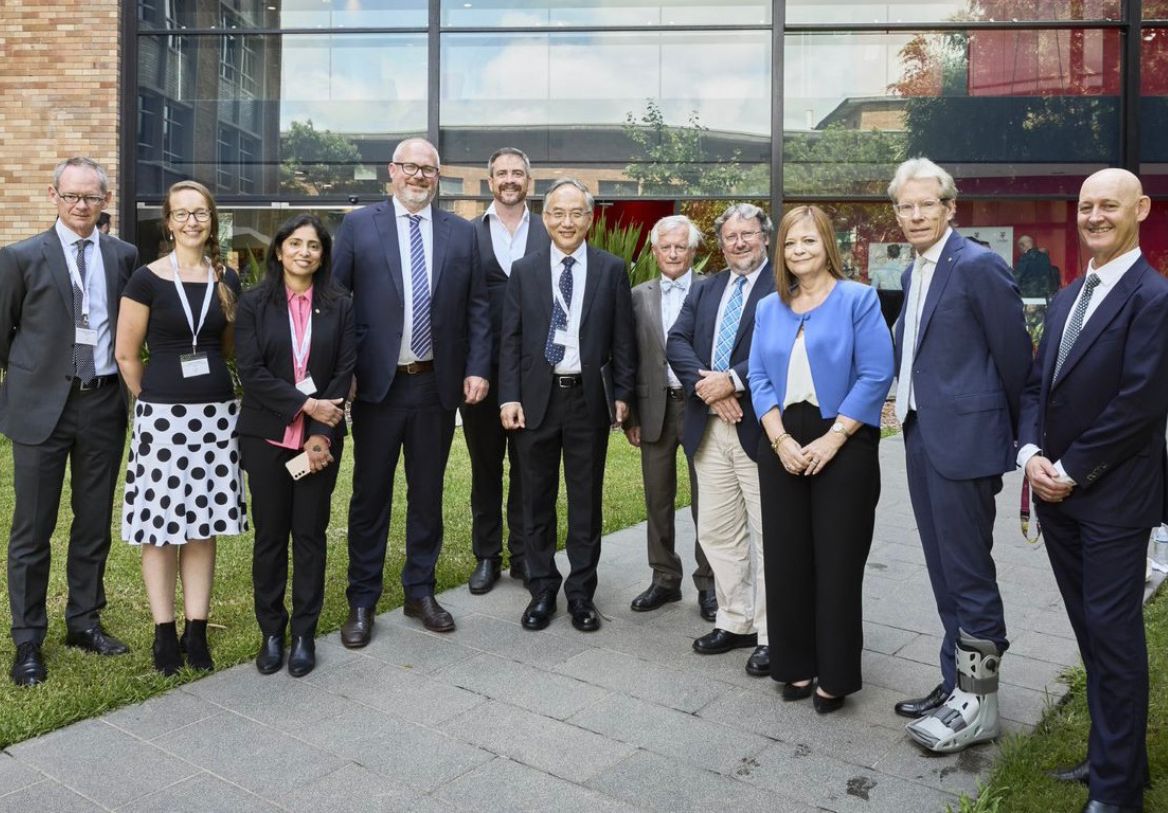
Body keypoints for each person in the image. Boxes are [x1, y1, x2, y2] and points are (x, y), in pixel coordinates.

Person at [1020, 168, 1168, 813]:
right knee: (1090, 634)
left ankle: (1118, 792)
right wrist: (1030, 455)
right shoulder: (1066, 297)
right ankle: (1113, 758)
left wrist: (1072, 469)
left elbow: (1140, 404)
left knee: (1113, 635)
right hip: (1058, 494)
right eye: (1085, 206)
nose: (1095, 216)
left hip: (1112, 497)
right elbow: (1035, 389)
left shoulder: (1154, 297)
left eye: (1109, 205)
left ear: (1141, 208)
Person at [888, 158, 1031, 752]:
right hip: (922, 437)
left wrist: (1021, 445)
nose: (915, 215)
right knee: (945, 572)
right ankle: (957, 685)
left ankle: (982, 706)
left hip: (966, 447)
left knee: (969, 575)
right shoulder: (912, 272)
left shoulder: (978, 265)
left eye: (927, 204)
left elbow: (1016, 361)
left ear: (950, 208)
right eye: (905, 206)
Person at [333, 137, 490, 643]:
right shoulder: (359, 226)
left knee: (427, 494)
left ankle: (419, 589)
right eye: (410, 167)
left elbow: (478, 308)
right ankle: (362, 600)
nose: (419, 176)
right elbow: (336, 303)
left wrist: (477, 367)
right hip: (377, 387)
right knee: (370, 496)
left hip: (434, 386)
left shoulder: (462, 233)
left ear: (437, 177)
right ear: (392, 171)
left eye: (428, 169)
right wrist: (344, 371)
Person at [749, 205, 894, 713]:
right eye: (790, 244)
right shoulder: (769, 307)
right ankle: (794, 664)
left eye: (808, 241)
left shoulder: (858, 299)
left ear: (827, 244)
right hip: (784, 440)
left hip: (844, 439)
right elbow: (759, 379)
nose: (799, 251)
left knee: (836, 561)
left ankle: (835, 673)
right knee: (786, 560)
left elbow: (877, 374)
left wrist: (832, 440)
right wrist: (780, 441)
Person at [0, 156, 139, 687]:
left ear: (106, 200)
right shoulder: (20, 257)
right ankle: (28, 638)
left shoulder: (123, 256)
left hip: (101, 403)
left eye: (91, 197)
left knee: (92, 521)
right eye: (72, 196)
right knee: (32, 529)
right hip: (40, 408)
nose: (81, 206)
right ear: (53, 196)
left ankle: (83, 621)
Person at [115, 179, 247, 676]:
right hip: (164, 420)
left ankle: (197, 629)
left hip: (216, 417)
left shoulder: (226, 278)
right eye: (182, 213)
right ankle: (164, 634)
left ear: (211, 221)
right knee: (162, 527)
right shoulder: (145, 280)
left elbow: (228, 346)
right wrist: (150, 399)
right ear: (168, 222)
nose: (192, 221)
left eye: (201, 213)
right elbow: (127, 354)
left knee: (204, 525)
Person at [499, 178, 636, 633]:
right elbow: (511, 339)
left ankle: (580, 594)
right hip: (536, 399)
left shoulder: (611, 269)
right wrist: (510, 396)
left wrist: (622, 395)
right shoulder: (525, 270)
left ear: (590, 219)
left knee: (585, 502)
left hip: (587, 401)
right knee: (535, 500)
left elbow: (624, 340)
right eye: (558, 213)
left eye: (576, 213)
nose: (567, 222)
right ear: (545, 218)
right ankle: (542, 589)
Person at [235, 214, 355, 678]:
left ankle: (304, 633)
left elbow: (344, 370)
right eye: (295, 243)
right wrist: (308, 407)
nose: (304, 252)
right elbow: (252, 372)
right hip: (266, 437)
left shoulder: (340, 304)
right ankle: (272, 631)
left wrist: (323, 432)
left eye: (314, 246)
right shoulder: (253, 304)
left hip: (320, 442)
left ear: (323, 255)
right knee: (269, 538)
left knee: (309, 536)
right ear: (279, 249)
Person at [667, 203, 775, 676]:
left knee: (768, 534)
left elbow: (784, 346)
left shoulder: (784, 287)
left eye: (747, 234)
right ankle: (736, 619)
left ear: (764, 237)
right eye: (730, 236)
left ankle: (774, 632)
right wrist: (709, 390)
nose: (739, 243)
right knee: (717, 530)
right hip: (709, 427)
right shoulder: (707, 287)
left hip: (761, 428)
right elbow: (676, 341)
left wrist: (734, 380)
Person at [462, 147, 550, 594]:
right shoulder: (468, 234)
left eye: (518, 172)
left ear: (528, 182)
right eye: (502, 173)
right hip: (481, 372)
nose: (510, 179)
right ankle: (486, 556)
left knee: (528, 466)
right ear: (490, 180)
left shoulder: (550, 232)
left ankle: (523, 554)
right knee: (485, 467)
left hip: (535, 372)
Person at [624, 215, 716, 620]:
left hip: (702, 409)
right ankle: (664, 579)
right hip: (654, 410)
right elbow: (626, 356)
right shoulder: (637, 295)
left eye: (682, 246)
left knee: (709, 502)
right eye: (666, 246)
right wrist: (629, 413)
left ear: (693, 251)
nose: (674, 253)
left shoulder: (712, 290)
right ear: (654, 250)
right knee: (657, 499)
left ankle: (711, 584)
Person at [1014, 234, 1057, 299]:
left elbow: (1016, 278)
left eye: (1019, 248)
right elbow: (1051, 277)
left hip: (1028, 296)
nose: (1020, 251)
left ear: (1023, 246)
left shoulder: (1025, 258)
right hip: (1044, 296)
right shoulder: (1044, 257)